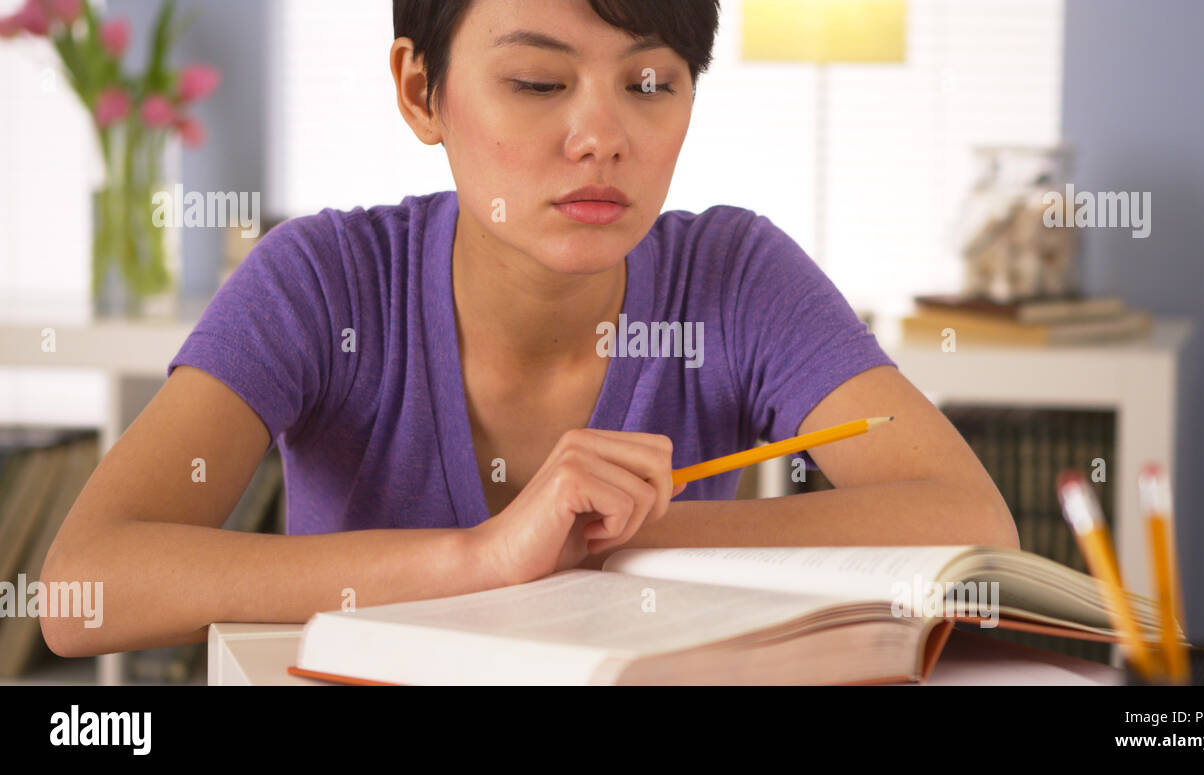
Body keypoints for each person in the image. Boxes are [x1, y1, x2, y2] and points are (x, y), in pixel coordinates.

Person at [41, 0, 1017, 659]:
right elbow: (82, 587)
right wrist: (484, 555)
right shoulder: (322, 280)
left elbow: (970, 522)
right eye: (539, 84)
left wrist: (625, 527)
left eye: (649, 83)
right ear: (421, 91)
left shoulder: (735, 274)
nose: (603, 136)